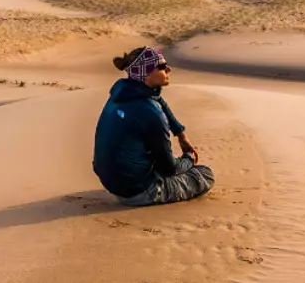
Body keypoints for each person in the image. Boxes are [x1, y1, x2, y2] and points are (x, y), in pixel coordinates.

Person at [92, 46, 215, 206]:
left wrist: (180, 133)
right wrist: (188, 159)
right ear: (148, 73)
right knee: (205, 173)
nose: (169, 69)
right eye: (162, 67)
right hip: (139, 192)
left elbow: (158, 99)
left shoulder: (120, 93)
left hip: (112, 183)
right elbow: (169, 169)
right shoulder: (151, 113)